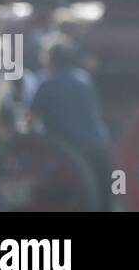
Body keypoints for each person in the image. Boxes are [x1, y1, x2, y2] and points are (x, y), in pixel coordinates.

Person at [29, 34, 114, 209]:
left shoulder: (46, 83)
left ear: (49, 59)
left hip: (69, 153)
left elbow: (31, 118)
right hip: (98, 147)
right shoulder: (84, 79)